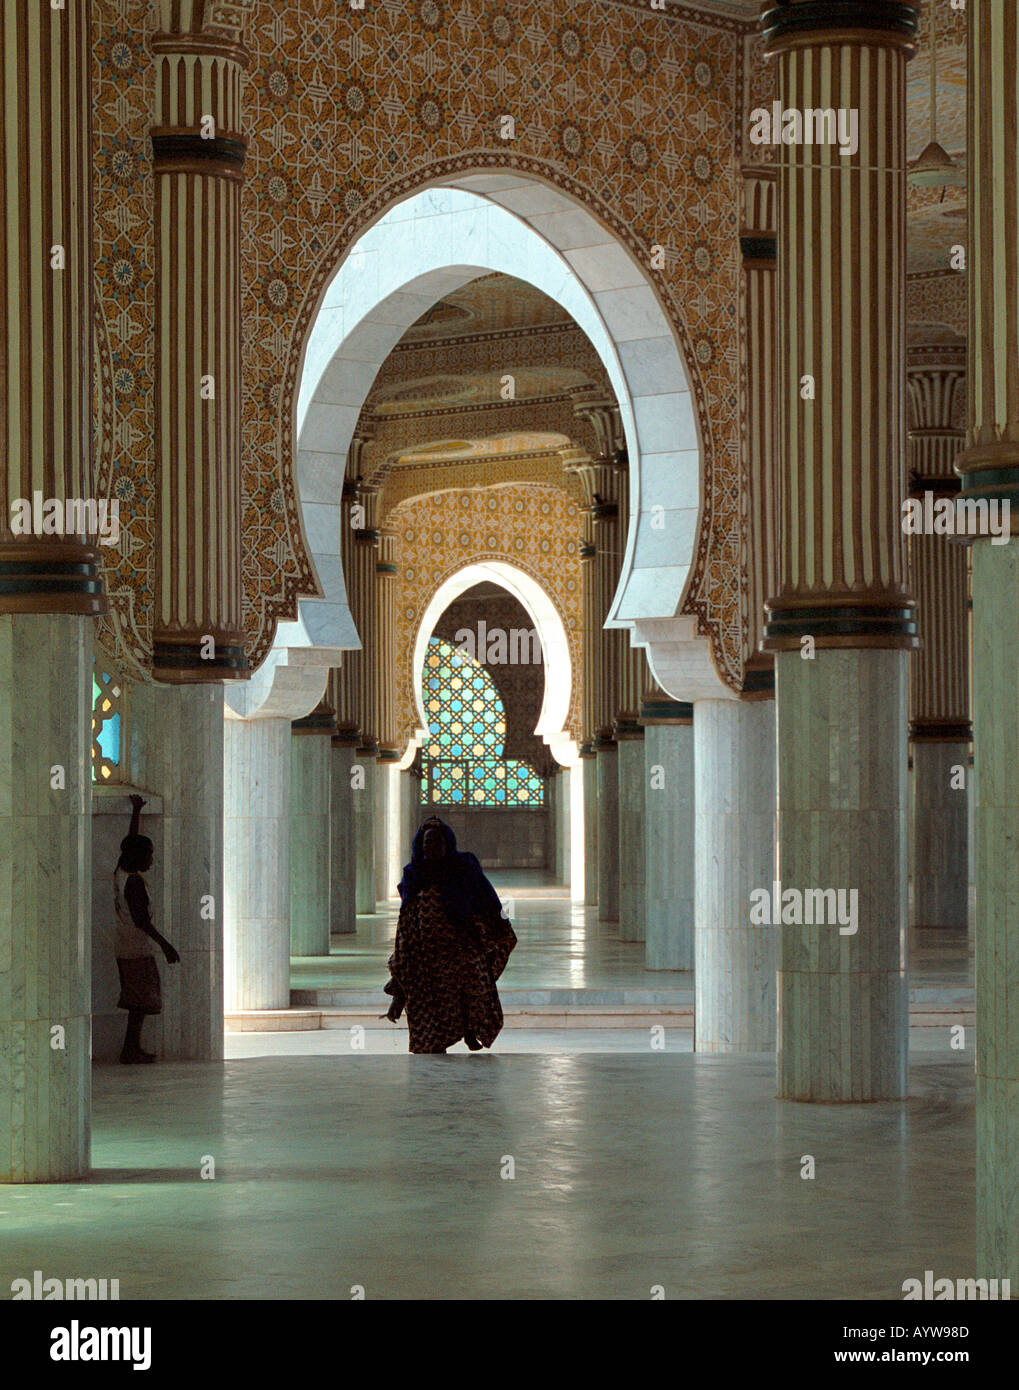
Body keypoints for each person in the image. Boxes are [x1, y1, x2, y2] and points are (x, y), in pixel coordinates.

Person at [384, 816, 517, 1054]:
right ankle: (433, 1041)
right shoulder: (414, 874)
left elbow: (486, 901)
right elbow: (406, 919)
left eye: (436, 842)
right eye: (426, 843)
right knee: (428, 1000)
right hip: (425, 952)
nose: (430, 848)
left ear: (447, 844)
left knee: (472, 988)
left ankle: (470, 1030)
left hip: (460, 949)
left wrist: (498, 927)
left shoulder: (463, 868)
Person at [113, 795, 180, 1064]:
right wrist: (166, 945)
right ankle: (130, 1050)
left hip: (124, 945)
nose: (152, 859)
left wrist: (136, 813)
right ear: (139, 857)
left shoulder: (121, 872)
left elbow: (129, 842)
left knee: (136, 1002)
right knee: (138, 1004)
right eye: (149, 854)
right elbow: (142, 921)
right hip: (136, 949)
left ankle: (132, 1048)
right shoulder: (135, 884)